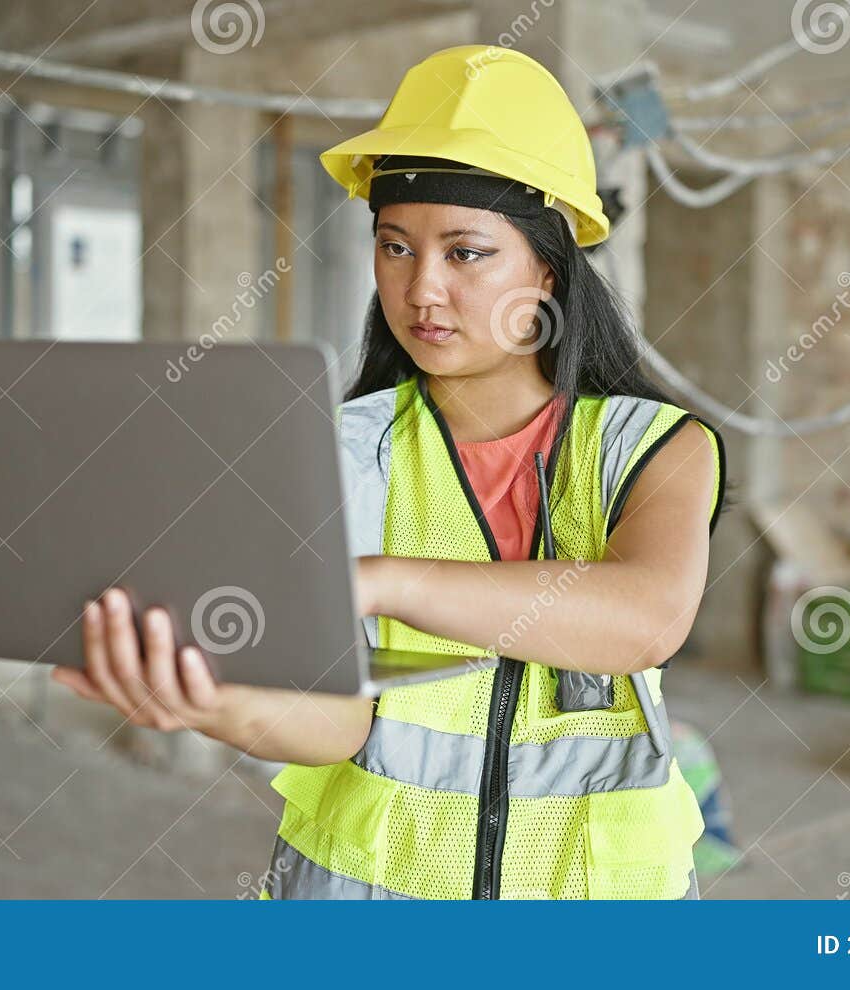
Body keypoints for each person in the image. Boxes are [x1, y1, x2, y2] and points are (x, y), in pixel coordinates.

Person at [53, 43, 726, 900]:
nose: (422, 291)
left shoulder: (653, 446)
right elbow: (338, 718)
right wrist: (207, 704)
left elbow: (643, 619)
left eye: (466, 252)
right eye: (396, 247)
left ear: (547, 270)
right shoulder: (342, 449)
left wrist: (377, 580)